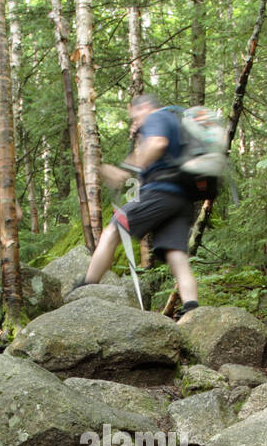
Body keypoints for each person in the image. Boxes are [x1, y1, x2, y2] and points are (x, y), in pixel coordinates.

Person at [70, 93, 200, 313]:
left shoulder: (156, 117)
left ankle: (86, 288)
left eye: (135, 116)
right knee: (177, 255)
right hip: (182, 200)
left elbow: (158, 144)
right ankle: (192, 308)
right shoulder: (176, 123)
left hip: (160, 192)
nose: (136, 123)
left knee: (112, 230)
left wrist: (126, 169)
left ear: (144, 107)